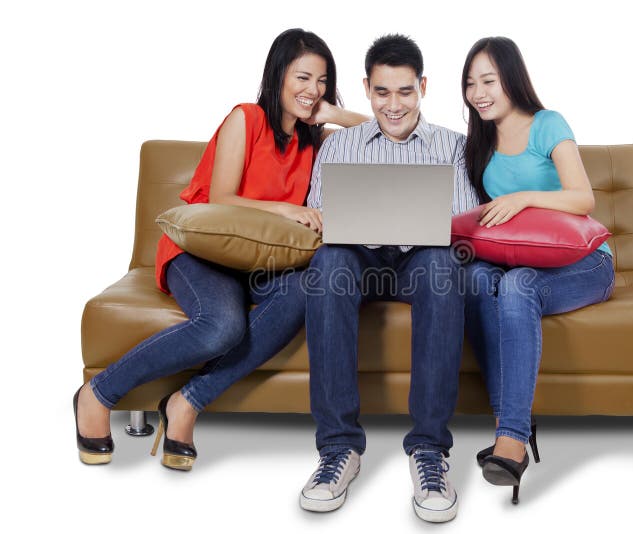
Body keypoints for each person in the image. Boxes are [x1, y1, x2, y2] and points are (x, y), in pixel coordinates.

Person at [73, 28, 368, 470]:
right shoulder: (245, 118)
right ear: (278, 75)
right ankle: (98, 393)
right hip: (201, 254)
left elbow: (384, 135)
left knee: (307, 286)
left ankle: (185, 402)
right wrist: (286, 209)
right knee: (222, 327)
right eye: (303, 77)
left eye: (322, 80)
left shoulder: (315, 141)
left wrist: (333, 113)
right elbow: (221, 199)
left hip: (260, 263)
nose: (312, 89)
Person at [298, 34, 479, 523]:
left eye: (404, 91)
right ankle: (338, 448)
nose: (393, 105)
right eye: (382, 92)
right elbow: (320, 213)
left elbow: (462, 219)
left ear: (423, 87)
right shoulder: (340, 145)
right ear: (366, 89)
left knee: (443, 268)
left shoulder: (453, 146)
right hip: (357, 257)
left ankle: (430, 450)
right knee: (327, 265)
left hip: (420, 259)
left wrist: (418, 222)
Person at [461, 37, 615, 503]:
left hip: (584, 264)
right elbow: (403, 124)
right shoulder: (480, 141)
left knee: (517, 286)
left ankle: (511, 441)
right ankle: (511, 422)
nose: (478, 93)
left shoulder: (548, 124)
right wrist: (334, 115)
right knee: (474, 279)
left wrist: (524, 197)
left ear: (512, 78)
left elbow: (583, 198)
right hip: (518, 260)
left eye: (489, 81)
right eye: (470, 83)